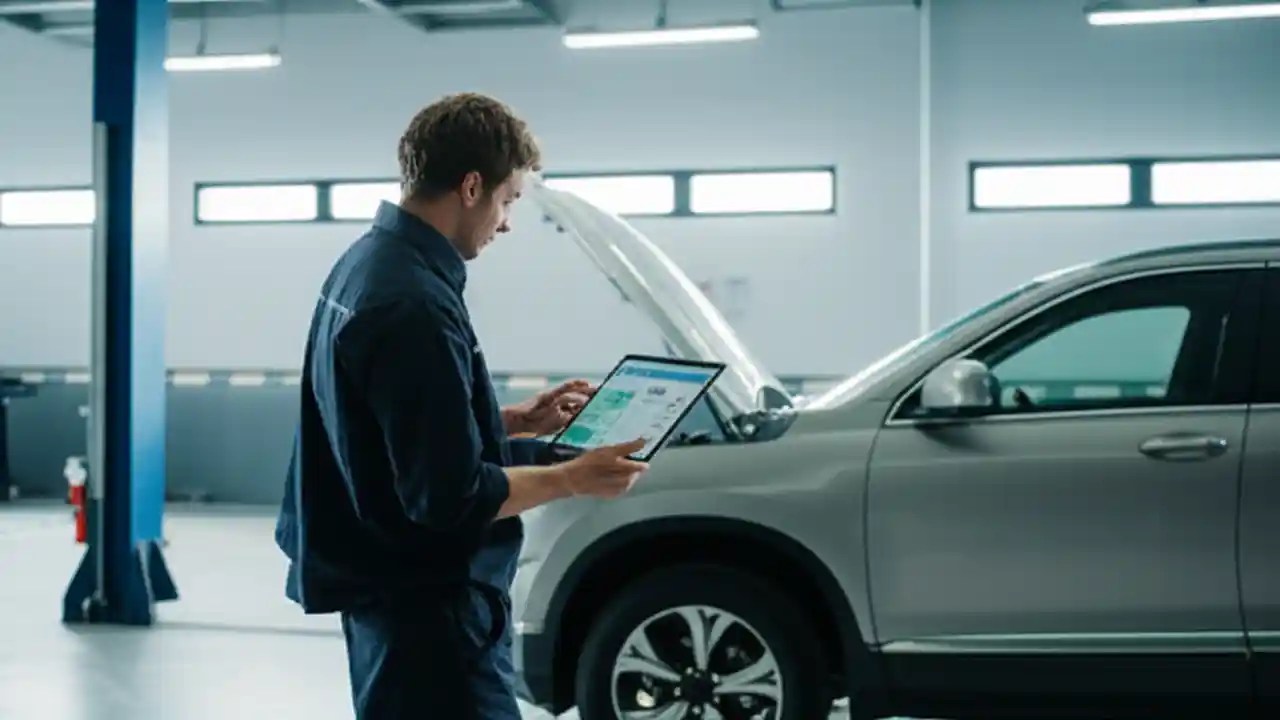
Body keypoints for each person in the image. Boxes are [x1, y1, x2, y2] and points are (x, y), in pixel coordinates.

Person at [274, 92, 649, 720]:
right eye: (508, 202)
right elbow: (446, 497)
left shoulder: (366, 265)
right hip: (432, 620)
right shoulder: (414, 302)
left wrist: (508, 422)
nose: (505, 224)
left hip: (387, 599)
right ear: (472, 186)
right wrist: (570, 478)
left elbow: (381, 425)